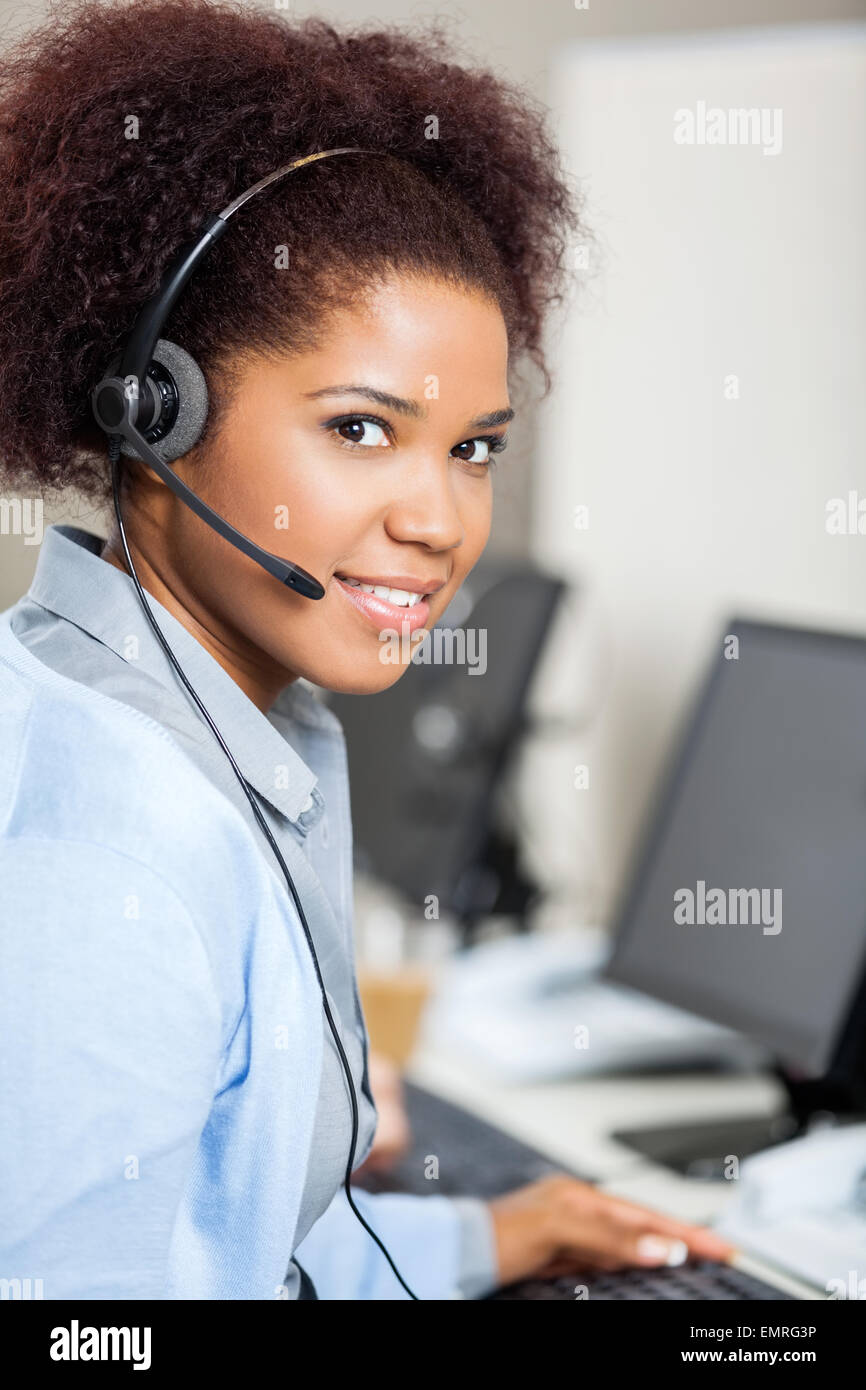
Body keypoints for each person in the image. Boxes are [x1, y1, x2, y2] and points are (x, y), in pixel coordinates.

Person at [0, 0, 733, 1299]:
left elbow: (223, 1242)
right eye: (357, 429)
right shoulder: (115, 845)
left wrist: (491, 1235)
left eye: (472, 448)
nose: (438, 519)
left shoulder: (198, 718)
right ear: (150, 413)